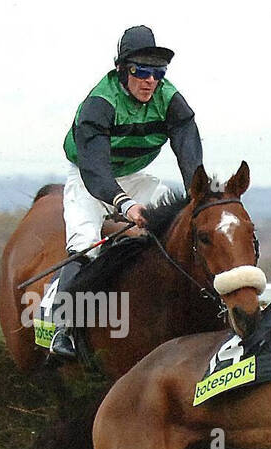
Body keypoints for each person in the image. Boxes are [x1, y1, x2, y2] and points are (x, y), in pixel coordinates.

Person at [51, 25, 204, 359]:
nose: (151, 80)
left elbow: (188, 150)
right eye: (141, 71)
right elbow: (96, 168)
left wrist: (198, 194)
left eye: (158, 72)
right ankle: (62, 330)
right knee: (84, 244)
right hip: (90, 178)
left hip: (134, 175)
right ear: (122, 70)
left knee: (175, 225)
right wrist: (124, 204)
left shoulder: (170, 98)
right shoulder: (100, 103)